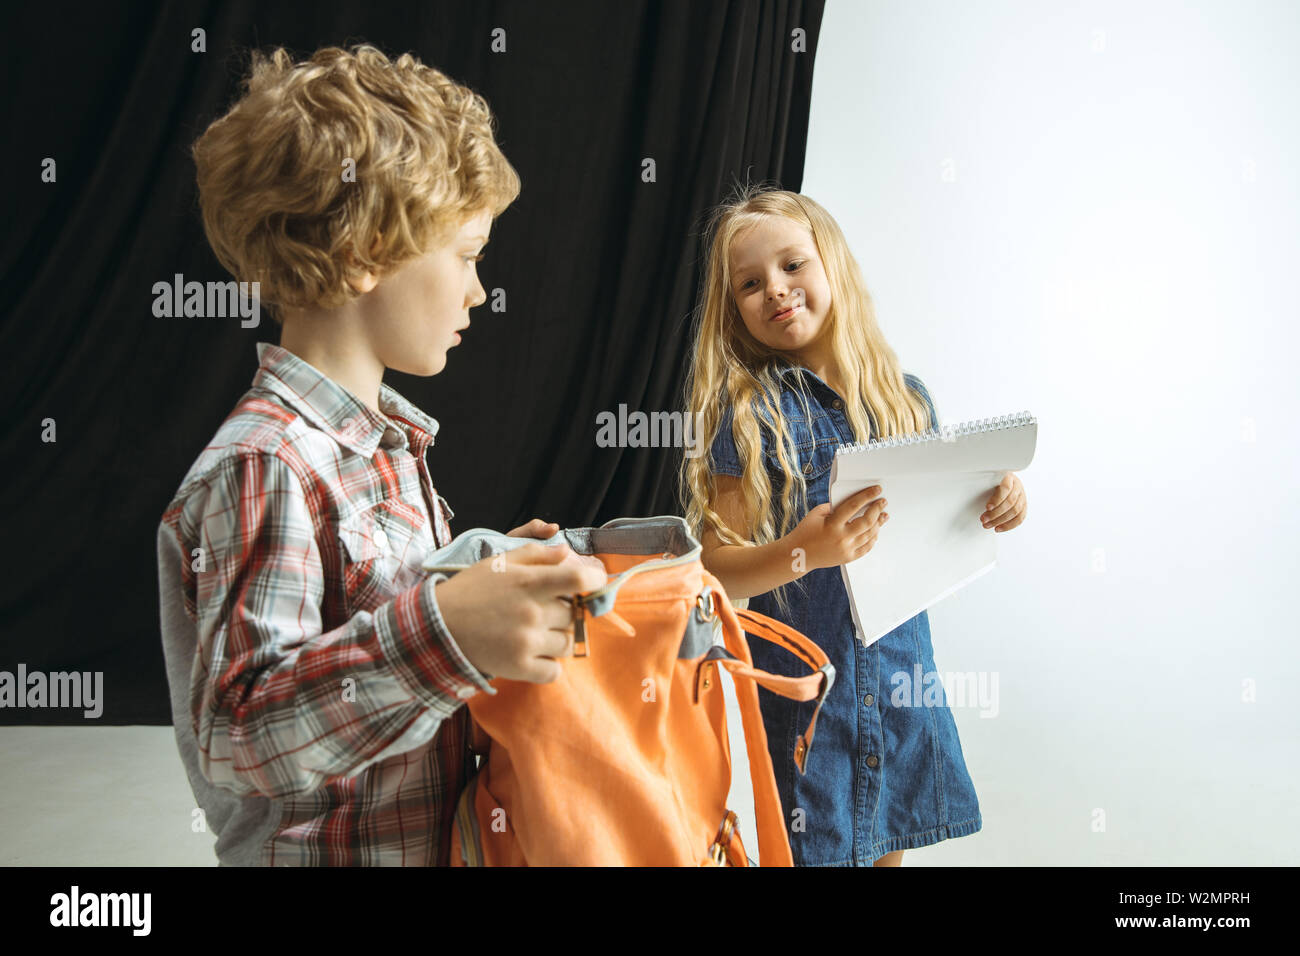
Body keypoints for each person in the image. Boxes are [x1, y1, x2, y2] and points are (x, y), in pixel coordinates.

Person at [155, 44, 605, 866]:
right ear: (366, 254)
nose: (477, 290)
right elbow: (239, 731)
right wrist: (445, 632)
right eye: (468, 254)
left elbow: (367, 621)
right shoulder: (268, 465)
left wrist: (489, 576)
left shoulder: (382, 446)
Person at [680, 185, 1028, 866]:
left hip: (902, 684)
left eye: (791, 266)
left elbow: (946, 522)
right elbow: (715, 567)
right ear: (734, 310)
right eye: (750, 284)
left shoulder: (907, 400)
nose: (775, 290)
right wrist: (805, 552)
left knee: (890, 843)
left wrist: (999, 500)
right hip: (812, 701)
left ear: (832, 263)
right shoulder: (751, 416)